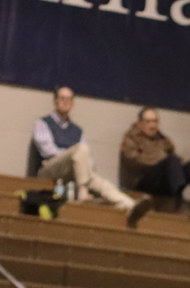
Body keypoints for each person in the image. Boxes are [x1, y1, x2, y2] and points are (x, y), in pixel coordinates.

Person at [29, 87, 148, 223]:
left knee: (102, 183)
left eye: (69, 99)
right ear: (55, 101)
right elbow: (48, 151)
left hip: (73, 172)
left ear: (73, 103)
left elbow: (86, 158)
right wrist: (73, 155)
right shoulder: (43, 123)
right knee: (81, 150)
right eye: (62, 98)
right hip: (49, 169)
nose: (66, 102)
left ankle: (130, 206)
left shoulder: (78, 130)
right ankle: (83, 192)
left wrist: (85, 166)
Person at [118, 107, 190, 218]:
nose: (152, 125)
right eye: (148, 121)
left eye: (155, 121)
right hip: (141, 180)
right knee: (171, 160)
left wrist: (176, 162)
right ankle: (178, 201)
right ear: (140, 123)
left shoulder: (162, 139)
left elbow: (173, 157)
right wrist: (162, 160)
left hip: (162, 181)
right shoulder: (130, 138)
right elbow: (134, 161)